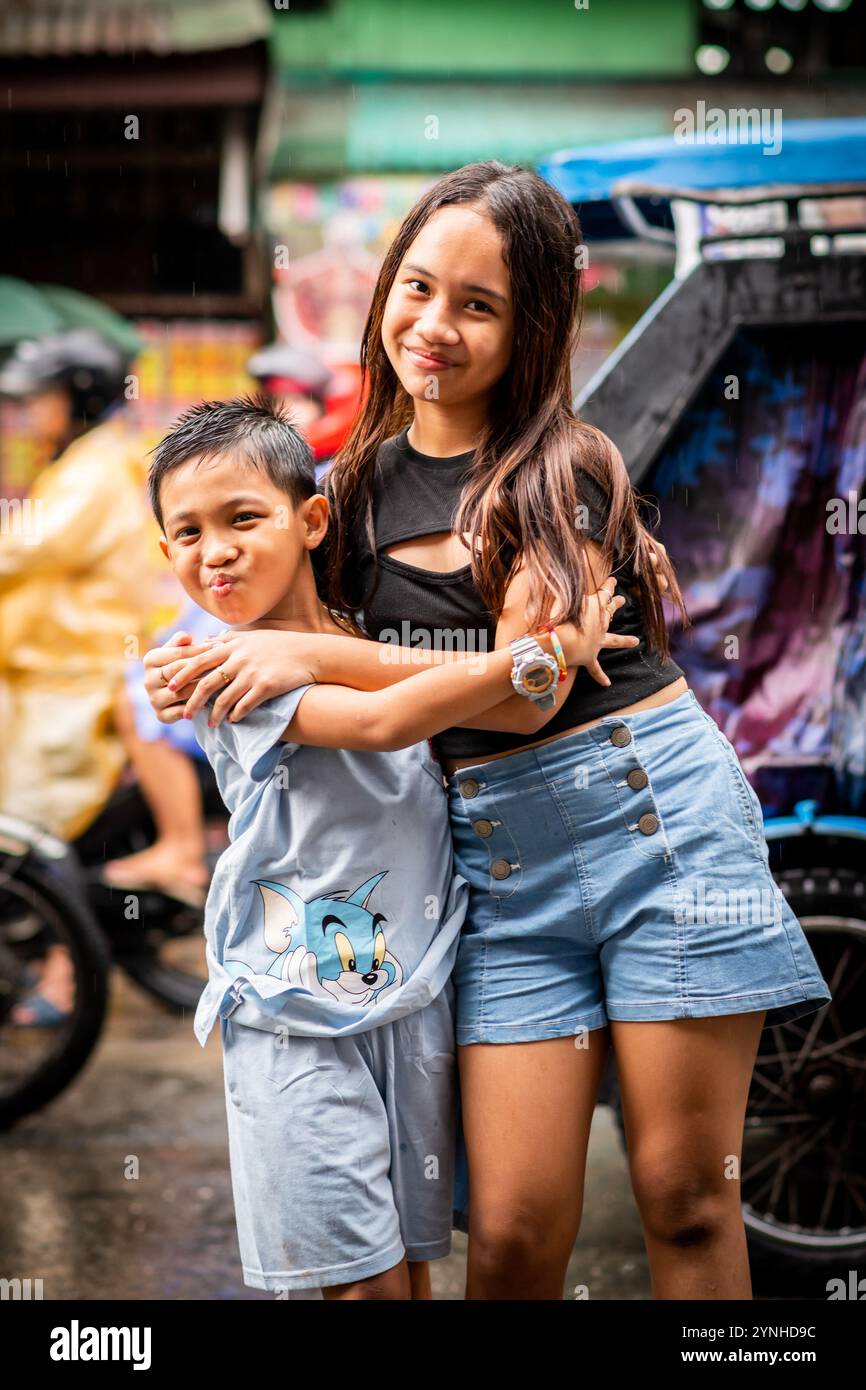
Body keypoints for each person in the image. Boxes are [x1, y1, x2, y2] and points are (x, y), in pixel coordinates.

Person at [144, 161, 832, 1300]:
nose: (436, 326)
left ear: (530, 329)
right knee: (508, 1228)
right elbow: (274, 609)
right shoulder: (348, 492)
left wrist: (318, 654)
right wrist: (191, 659)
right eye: (418, 289)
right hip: (497, 867)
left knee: (680, 1192)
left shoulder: (560, 469)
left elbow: (529, 695)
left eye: (479, 305)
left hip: (651, 823)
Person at [147, 393, 632, 1299]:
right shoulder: (228, 666)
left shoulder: (362, 636)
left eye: (242, 518)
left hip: (411, 1003)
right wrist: (543, 652)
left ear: (312, 518)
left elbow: (490, 708)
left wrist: (532, 666)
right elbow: (380, 719)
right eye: (187, 533)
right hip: (295, 1018)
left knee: (408, 1276)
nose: (215, 550)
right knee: (360, 1289)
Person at [0, 329, 161, 1024]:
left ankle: (66, 976)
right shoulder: (86, 461)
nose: (30, 410)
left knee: (34, 824)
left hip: (75, 674)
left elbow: (28, 546)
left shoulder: (93, 470)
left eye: (41, 395)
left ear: (78, 398)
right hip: (53, 669)